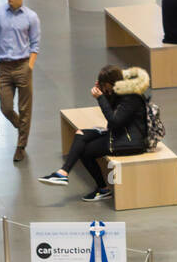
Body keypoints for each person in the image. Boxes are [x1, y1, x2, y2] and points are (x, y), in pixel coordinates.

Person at [40, 67, 151, 202]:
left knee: (85, 152)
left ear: (111, 82)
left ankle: (102, 189)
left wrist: (101, 98)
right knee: (81, 134)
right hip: (119, 133)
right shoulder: (123, 91)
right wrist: (106, 95)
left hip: (129, 141)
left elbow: (114, 121)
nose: (104, 88)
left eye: (105, 85)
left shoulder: (131, 97)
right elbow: (115, 113)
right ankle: (63, 172)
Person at [0, 0, 41, 164]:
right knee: (6, 107)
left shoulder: (31, 17)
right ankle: (21, 127)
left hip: (23, 66)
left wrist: (30, 66)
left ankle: (20, 146)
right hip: (5, 68)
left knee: (25, 108)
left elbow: (35, 44)